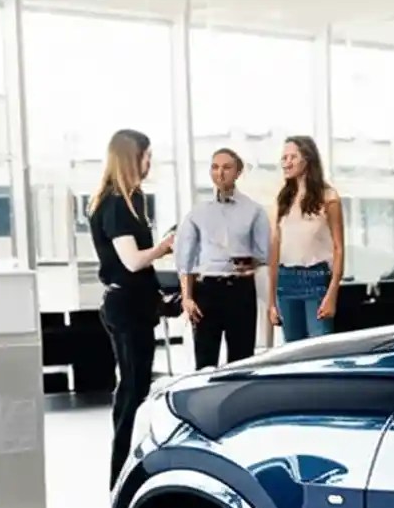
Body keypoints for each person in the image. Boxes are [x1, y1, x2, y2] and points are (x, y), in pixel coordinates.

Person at [89, 129, 174, 487]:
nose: (149, 162)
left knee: (134, 387)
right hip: (126, 307)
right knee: (132, 390)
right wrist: (165, 246)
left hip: (133, 303)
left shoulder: (131, 200)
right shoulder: (116, 205)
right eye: (146, 155)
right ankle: (121, 474)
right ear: (130, 158)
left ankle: (125, 471)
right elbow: (133, 261)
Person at [175, 148, 270, 369]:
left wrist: (250, 263)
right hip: (207, 291)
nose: (220, 173)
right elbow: (184, 260)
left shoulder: (254, 211)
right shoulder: (197, 212)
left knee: (243, 360)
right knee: (205, 361)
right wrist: (187, 298)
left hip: (240, 289)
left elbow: (263, 254)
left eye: (227, 167)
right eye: (215, 167)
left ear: (238, 172)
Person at [268, 135, 344, 343]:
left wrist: (332, 294)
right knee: (293, 354)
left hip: (317, 280)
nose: (287, 162)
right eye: (284, 158)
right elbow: (275, 249)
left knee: (320, 350)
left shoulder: (329, 196)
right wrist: (271, 301)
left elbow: (338, 248)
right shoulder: (283, 198)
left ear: (307, 159)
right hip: (286, 281)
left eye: (293, 156)